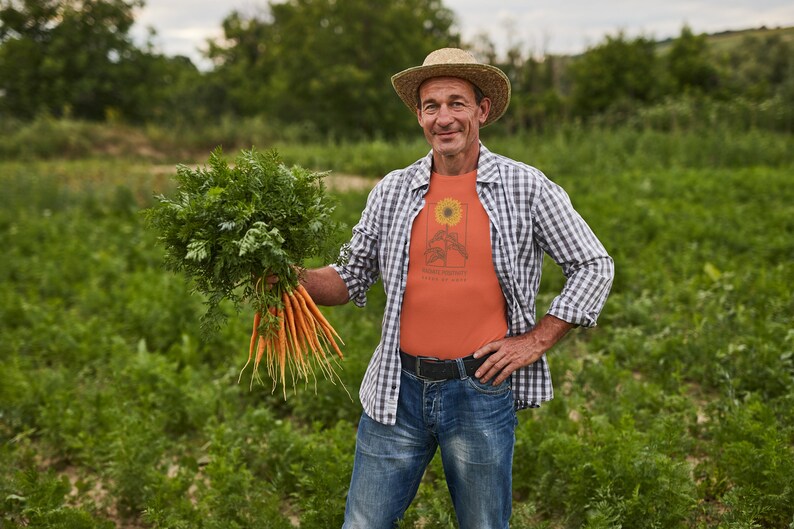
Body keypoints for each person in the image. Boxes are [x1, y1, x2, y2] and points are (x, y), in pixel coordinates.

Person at [297, 48, 614, 529]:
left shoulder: (525, 186)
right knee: (362, 523)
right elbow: (348, 276)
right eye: (431, 106)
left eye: (456, 103)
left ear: (481, 110)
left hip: (480, 390)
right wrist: (289, 275)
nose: (444, 117)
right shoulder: (393, 190)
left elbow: (593, 263)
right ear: (420, 116)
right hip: (396, 389)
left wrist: (537, 339)